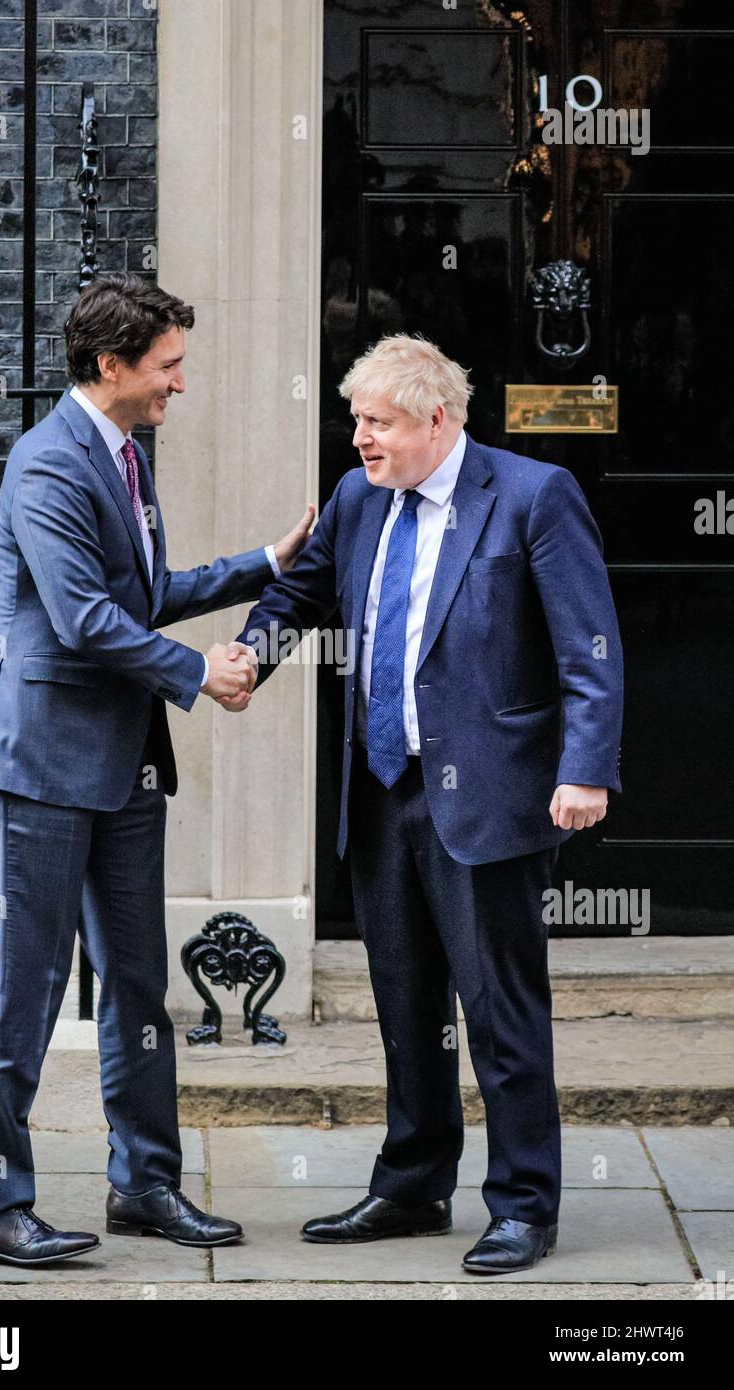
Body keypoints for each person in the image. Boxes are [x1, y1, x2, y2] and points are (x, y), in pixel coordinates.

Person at [229, 333, 624, 1274]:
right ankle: (413, 1183)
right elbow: (302, 590)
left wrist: (587, 769)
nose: (360, 440)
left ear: (437, 419)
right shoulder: (363, 498)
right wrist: (251, 651)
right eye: (356, 420)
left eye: (379, 423)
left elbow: (590, 647)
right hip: (383, 792)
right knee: (406, 1004)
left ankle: (524, 1203)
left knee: (499, 1008)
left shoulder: (531, 496)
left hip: (491, 796)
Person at [0, 272, 314, 1266]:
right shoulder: (48, 465)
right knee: (30, 982)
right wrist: (202, 672)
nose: (178, 385)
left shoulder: (122, 453)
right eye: (166, 366)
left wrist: (262, 566)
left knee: (140, 983)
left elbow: (143, 592)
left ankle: (145, 1182)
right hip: (43, 760)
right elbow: (82, 620)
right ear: (108, 366)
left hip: (118, 762)